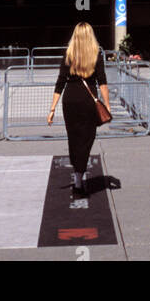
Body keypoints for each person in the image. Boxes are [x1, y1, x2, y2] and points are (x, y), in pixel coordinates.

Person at [47, 22, 110, 197]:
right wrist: (107, 105)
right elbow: (102, 82)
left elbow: (60, 82)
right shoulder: (96, 55)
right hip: (88, 100)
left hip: (70, 100)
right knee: (86, 139)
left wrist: (52, 109)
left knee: (74, 139)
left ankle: (77, 178)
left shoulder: (69, 54)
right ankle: (78, 179)